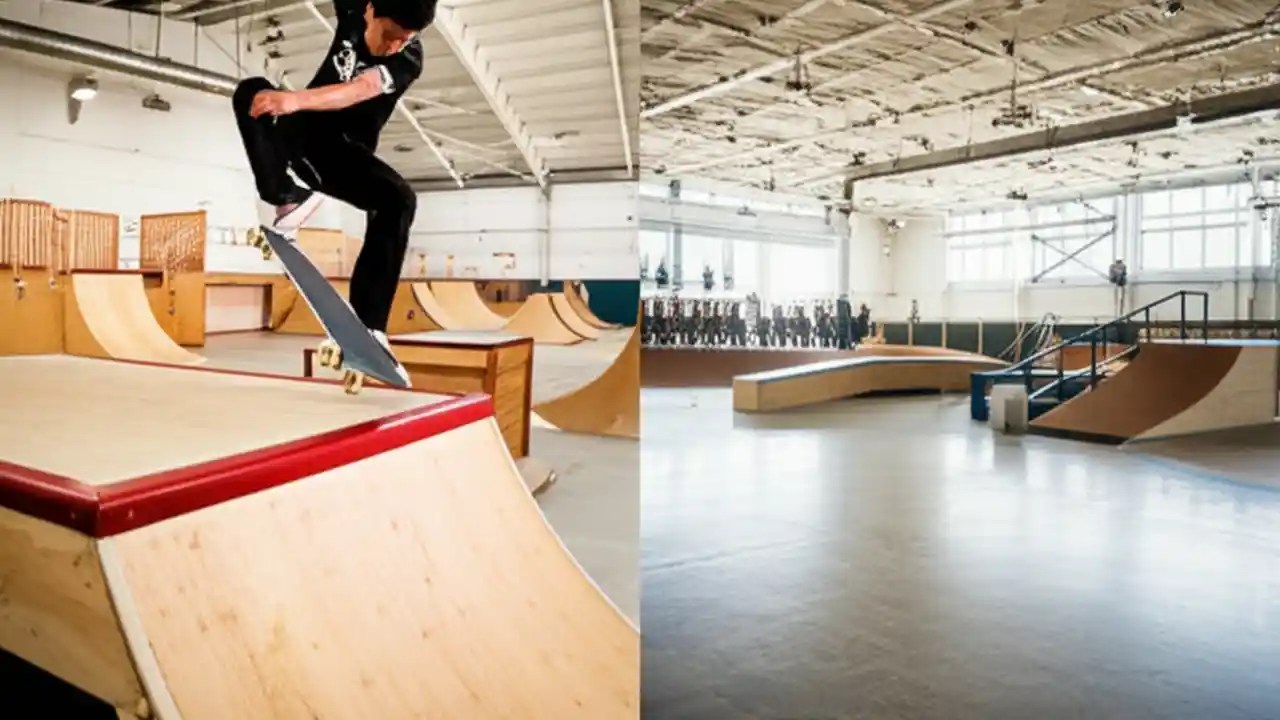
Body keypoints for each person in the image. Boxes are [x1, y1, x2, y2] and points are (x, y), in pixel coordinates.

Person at [231, 0, 437, 349]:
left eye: (404, 39)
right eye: (389, 35)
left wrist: (295, 100)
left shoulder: (409, 59)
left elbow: (360, 89)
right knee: (251, 91)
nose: (393, 46)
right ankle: (284, 198)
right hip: (297, 138)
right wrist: (288, 103)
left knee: (399, 200)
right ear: (369, 9)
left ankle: (368, 327)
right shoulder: (353, 6)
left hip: (342, 159)